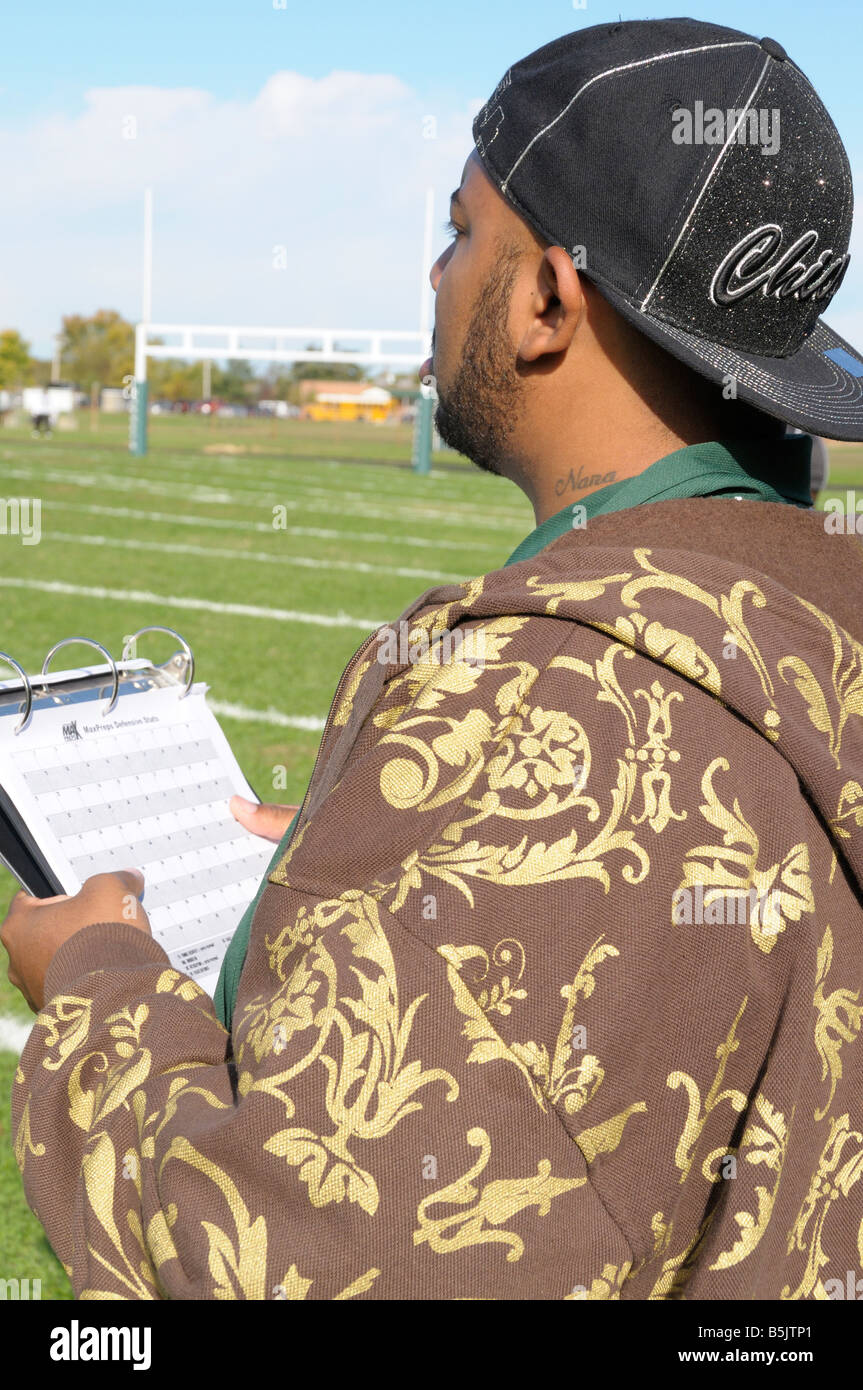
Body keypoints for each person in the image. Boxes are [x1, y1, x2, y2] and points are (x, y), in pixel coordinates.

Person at [5, 18, 863, 1301]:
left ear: (545, 301)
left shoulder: (547, 698)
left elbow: (293, 1268)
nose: (435, 270)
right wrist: (405, 872)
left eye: (462, 231)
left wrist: (92, 978)